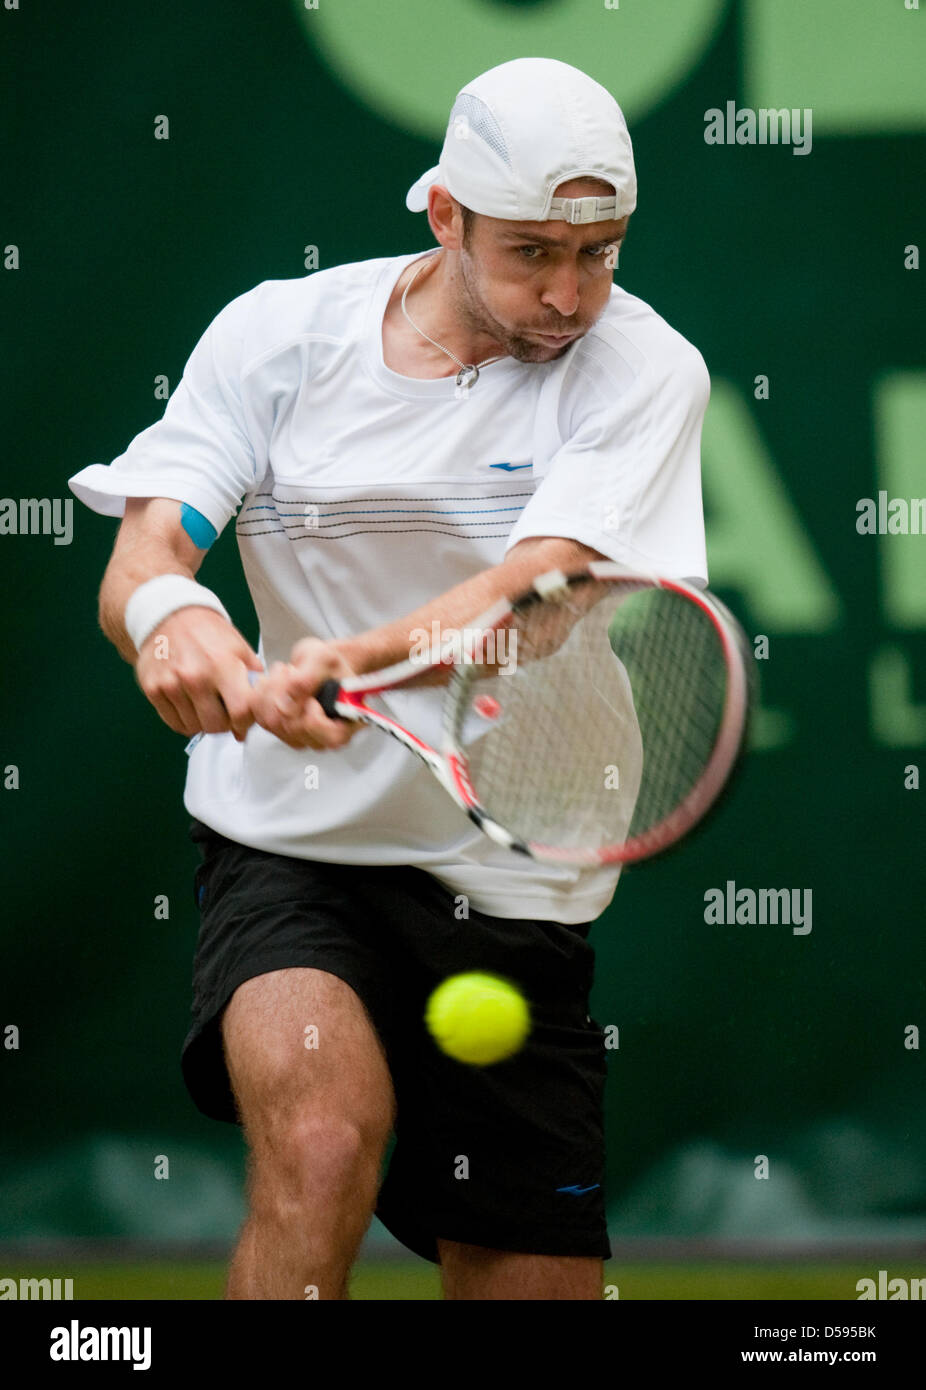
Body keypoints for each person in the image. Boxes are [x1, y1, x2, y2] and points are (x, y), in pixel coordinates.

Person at [69, 57, 709, 1300]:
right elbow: (144, 552)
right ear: (444, 216)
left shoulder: (646, 369)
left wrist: (344, 663)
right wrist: (172, 616)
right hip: (294, 845)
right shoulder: (277, 336)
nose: (570, 292)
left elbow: (531, 602)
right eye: (532, 252)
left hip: (518, 858)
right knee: (317, 1145)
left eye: (601, 253)